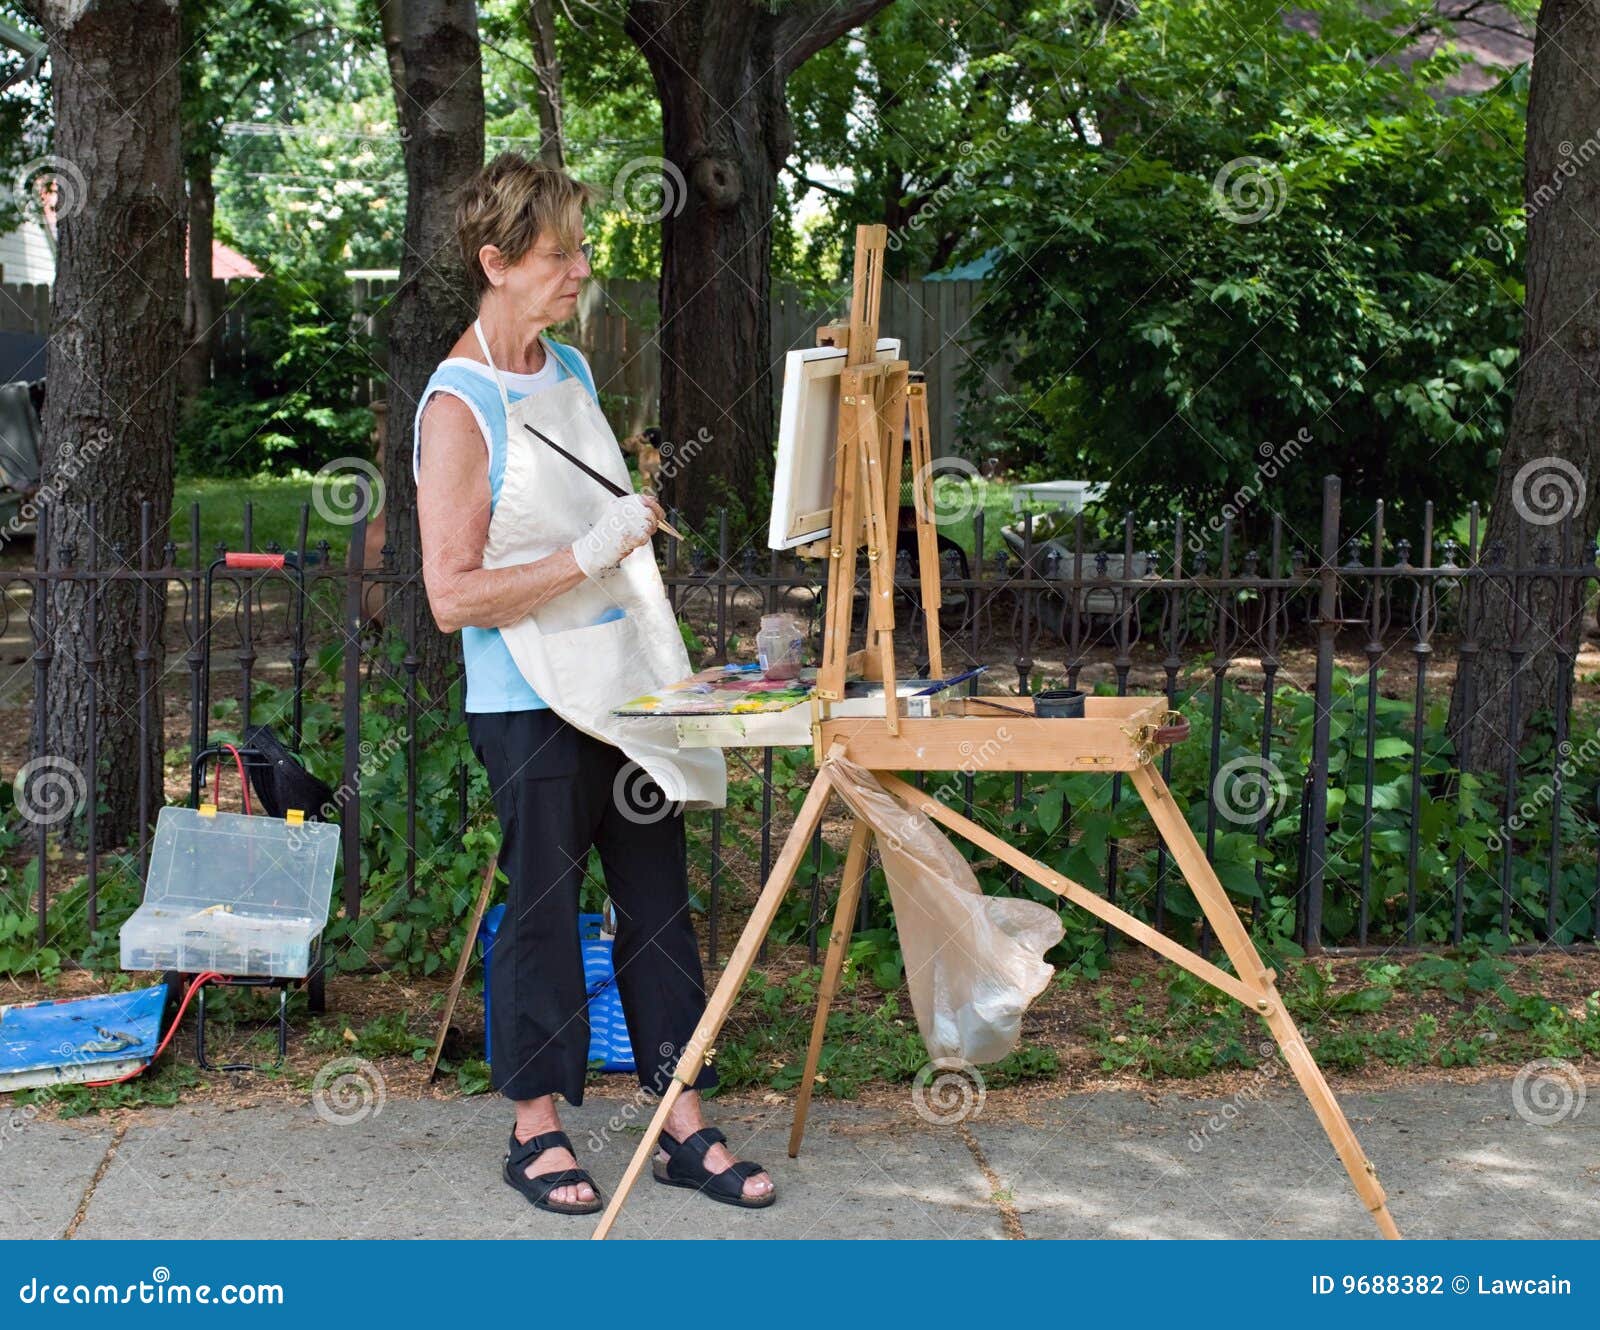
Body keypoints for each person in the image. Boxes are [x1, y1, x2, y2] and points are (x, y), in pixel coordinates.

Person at [414, 152, 774, 1216]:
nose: (580, 268)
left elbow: (588, 510)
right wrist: (585, 554)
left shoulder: (565, 369)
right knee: (542, 906)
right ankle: (536, 1130)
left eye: (580, 247)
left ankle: (682, 1123)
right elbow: (450, 597)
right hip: (527, 696)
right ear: (496, 260)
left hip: (616, 681)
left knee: (657, 903)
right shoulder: (455, 406)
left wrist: (624, 529)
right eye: (559, 252)